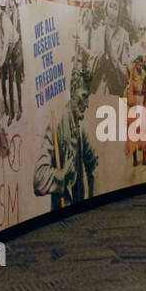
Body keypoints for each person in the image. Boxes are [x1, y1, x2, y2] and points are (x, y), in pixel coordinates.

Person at [33, 61, 97, 209]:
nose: (87, 104)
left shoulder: (80, 130)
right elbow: (38, 179)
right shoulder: (57, 125)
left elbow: (93, 164)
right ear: (72, 92)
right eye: (84, 96)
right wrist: (61, 175)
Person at [124, 55, 146, 167]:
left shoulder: (143, 73)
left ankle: (144, 157)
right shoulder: (131, 74)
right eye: (139, 64)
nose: (141, 66)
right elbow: (129, 91)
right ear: (136, 63)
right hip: (133, 106)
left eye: (141, 65)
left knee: (143, 132)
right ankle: (135, 159)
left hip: (142, 105)